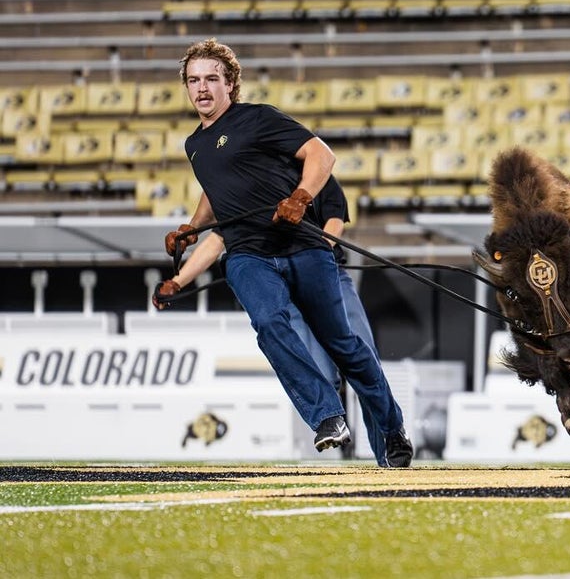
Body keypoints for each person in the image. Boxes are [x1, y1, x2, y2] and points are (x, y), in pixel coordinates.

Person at [164, 38, 413, 466]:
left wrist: (300, 196)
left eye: (211, 79)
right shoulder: (194, 145)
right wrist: (193, 226)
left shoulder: (259, 119)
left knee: (346, 347)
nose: (202, 88)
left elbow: (322, 154)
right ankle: (327, 416)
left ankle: (391, 431)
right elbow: (214, 191)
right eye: (193, 81)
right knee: (269, 323)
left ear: (230, 83)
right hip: (248, 256)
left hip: (303, 248)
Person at [156, 176, 395, 465]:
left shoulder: (321, 180)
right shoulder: (249, 186)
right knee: (318, 368)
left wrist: (309, 257)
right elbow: (218, 240)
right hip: (283, 285)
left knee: (361, 359)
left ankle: (388, 449)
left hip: (326, 278)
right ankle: (331, 431)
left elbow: (333, 226)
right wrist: (178, 282)